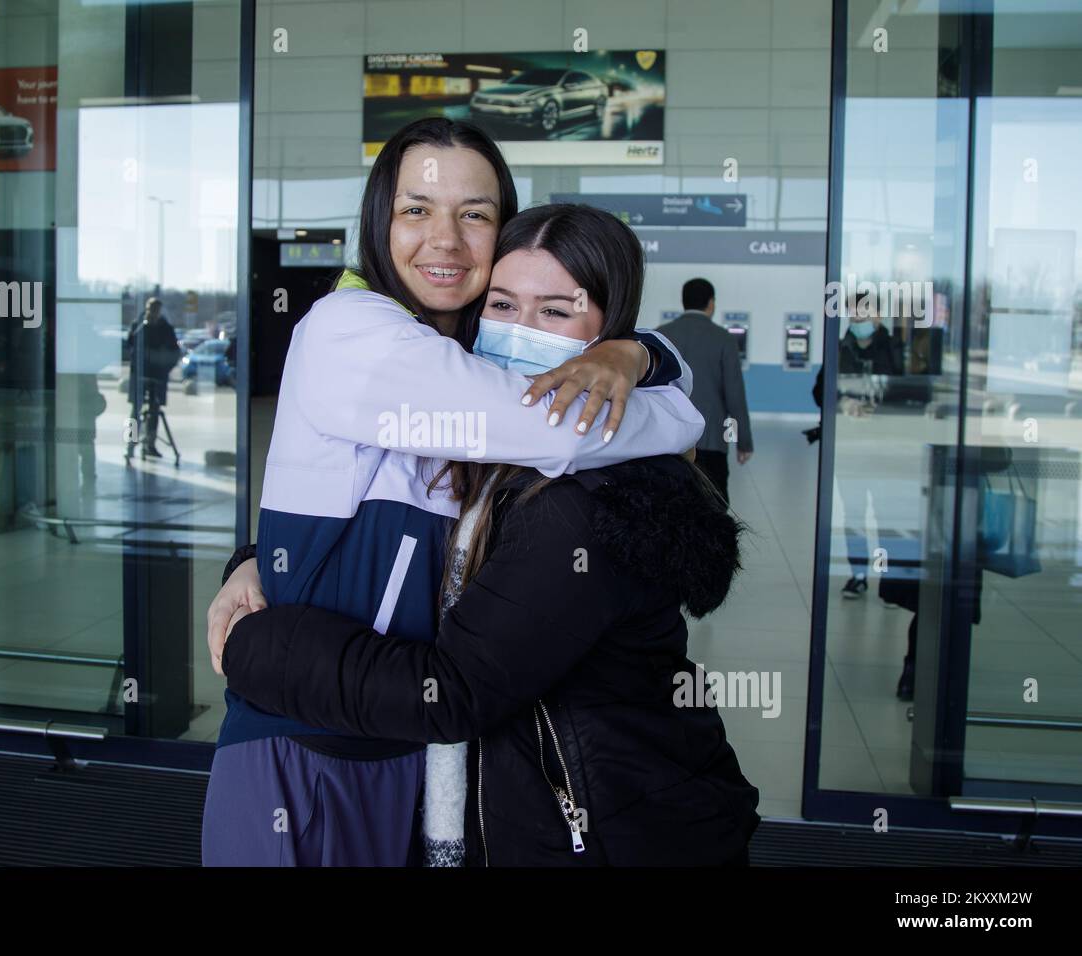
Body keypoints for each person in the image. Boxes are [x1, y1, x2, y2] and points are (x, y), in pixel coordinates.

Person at [200, 118, 703, 867]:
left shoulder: (466, 350)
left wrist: (637, 353)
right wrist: (647, 377)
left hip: (415, 751)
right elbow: (567, 431)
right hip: (302, 742)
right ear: (379, 219)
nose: (445, 239)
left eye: (474, 214)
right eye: (416, 209)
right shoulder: (350, 327)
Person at [657, 278, 752, 503]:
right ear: (711, 303)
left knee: (671, 504)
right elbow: (734, 396)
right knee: (713, 504)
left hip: (667, 440)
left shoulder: (661, 336)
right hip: (711, 441)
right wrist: (742, 441)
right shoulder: (724, 339)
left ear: (684, 302)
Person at [833, 292, 902, 598]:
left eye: (865, 313)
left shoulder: (893, 348)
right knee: (854, 514)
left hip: (888, 448)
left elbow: (906, 388)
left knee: (888, 516)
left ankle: (889, 581)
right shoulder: (840, 349)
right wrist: (842, 401)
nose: (858, 320)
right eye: (854, 314)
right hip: (852, 447)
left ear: (877, 315)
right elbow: (821, 390)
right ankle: (858, 574)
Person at [126, 297, 181, 458]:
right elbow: (130, 345)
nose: (153, 313)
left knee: (155, 411)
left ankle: (150, 444)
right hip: (140, 376)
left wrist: (164, 368)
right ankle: (130, 444)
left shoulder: (166, 328)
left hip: (157, 377)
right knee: (134, 411)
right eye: (151, 309)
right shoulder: (138, 326)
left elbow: (174, 352)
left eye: (156, 309)